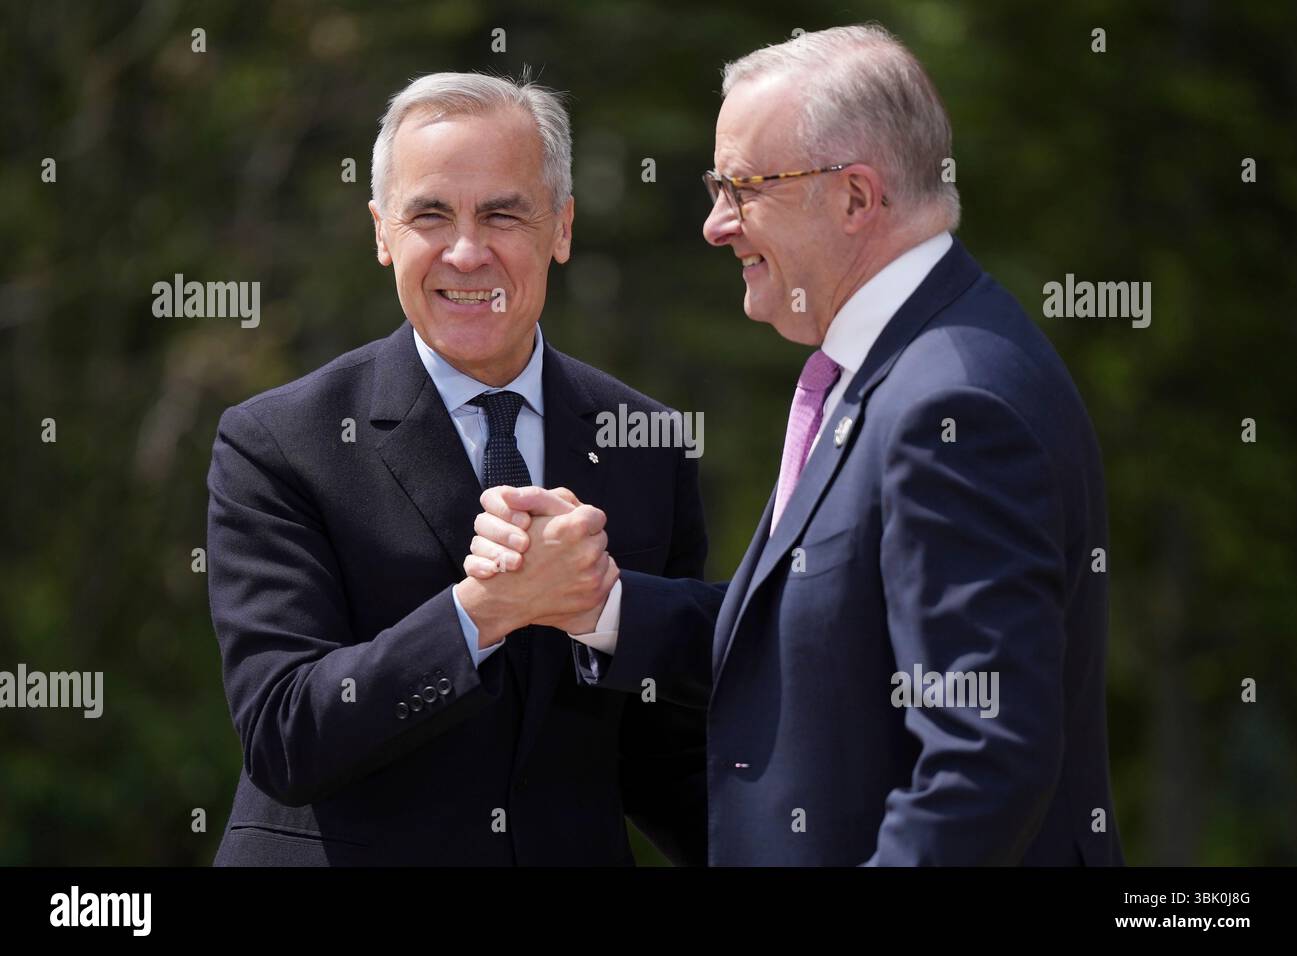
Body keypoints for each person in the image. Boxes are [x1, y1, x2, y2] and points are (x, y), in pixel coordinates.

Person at [468, 25, 1124, 866]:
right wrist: (596, 601)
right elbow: (817, 639)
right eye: (716, 188)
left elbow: (984, 763)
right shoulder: (889, 368)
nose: (715, 225)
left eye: (742, 189)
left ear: (855, 198)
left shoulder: (952, 406)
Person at [207, 72, 707, 866]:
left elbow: (667, 753)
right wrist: (482, 613)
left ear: (562, 228)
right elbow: (285, 735)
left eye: (503, 214)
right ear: (382, 232)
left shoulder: (648, 439)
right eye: (430, 215)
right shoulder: (276, 442)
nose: (467, 252)